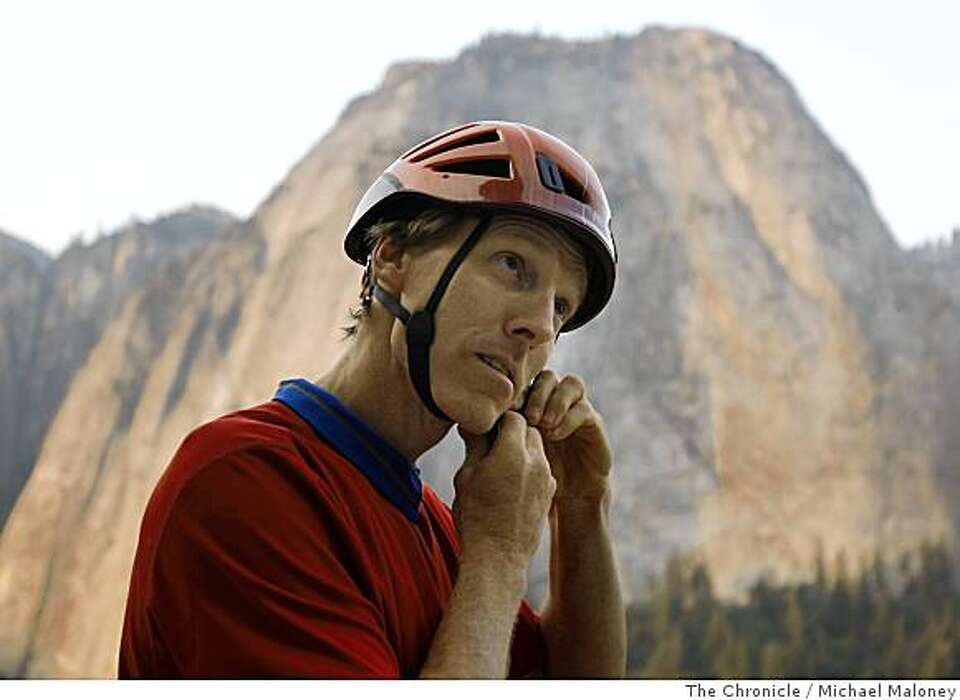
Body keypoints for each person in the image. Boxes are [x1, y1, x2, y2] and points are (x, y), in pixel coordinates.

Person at [118, 121, 625, 679]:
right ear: (391, 258)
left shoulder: (433, 522)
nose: (537, 326)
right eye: (512, 265)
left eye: (559, 307)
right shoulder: (245, 481)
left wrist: (582, 505)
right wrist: (499, 556)